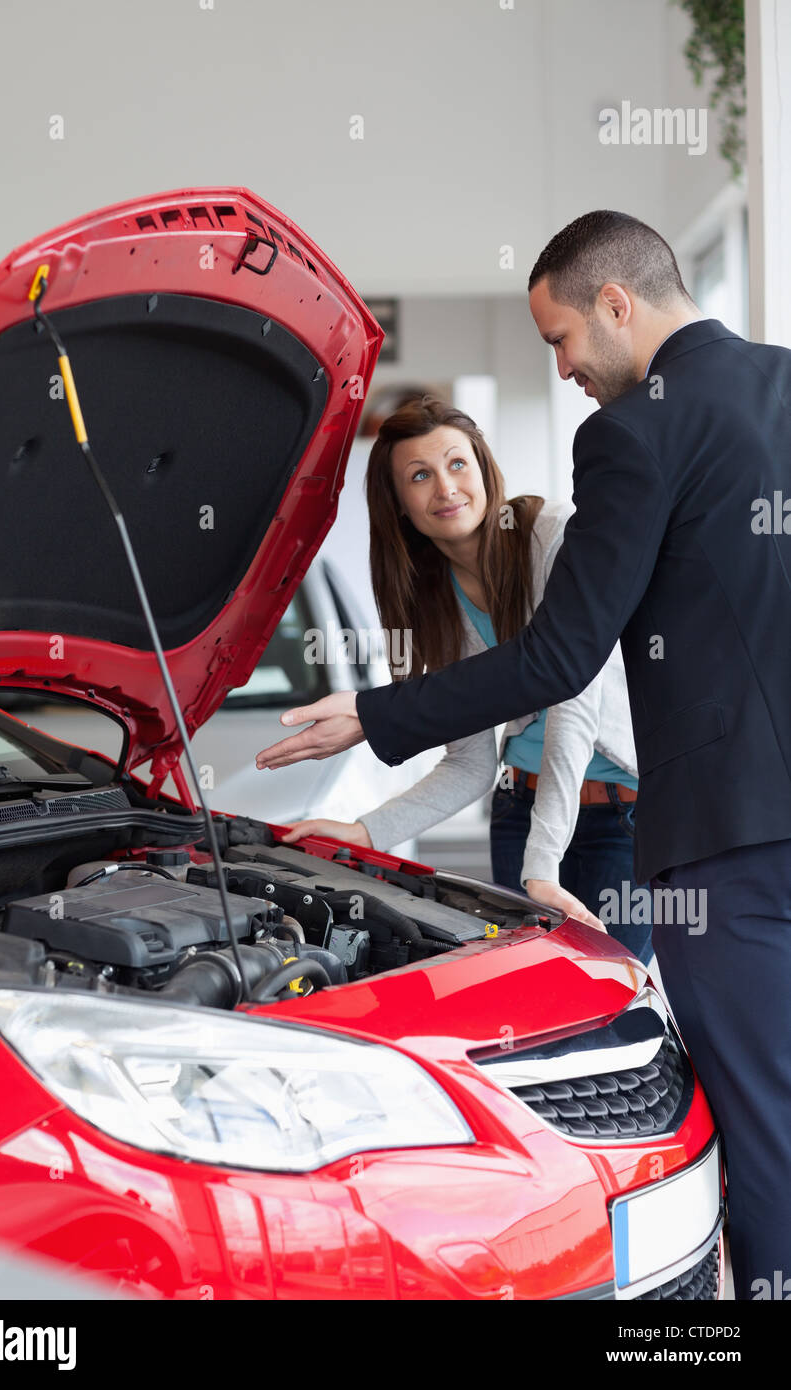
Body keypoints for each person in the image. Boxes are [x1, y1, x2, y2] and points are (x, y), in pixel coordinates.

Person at [256, 210, 791, 1298]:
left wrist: (372, 711)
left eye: (560, 340)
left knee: (764, 1133)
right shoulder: (781, 383)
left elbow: (560, 658)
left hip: (726, 852)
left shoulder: (633, 430)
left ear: (615, 303)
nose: (561, 372)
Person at [281, 394, 652, 960]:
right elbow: (471, 763)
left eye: (457, 464)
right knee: (527, 1003)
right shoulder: (432, 599)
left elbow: (573, 699)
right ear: (399, 504)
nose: (446, 488)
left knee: (611, 994)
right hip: (518, 813)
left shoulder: (553, 536)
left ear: (483, 467)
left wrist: (542, 864)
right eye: (420, 476)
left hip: (619, 818)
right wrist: (366, 831)